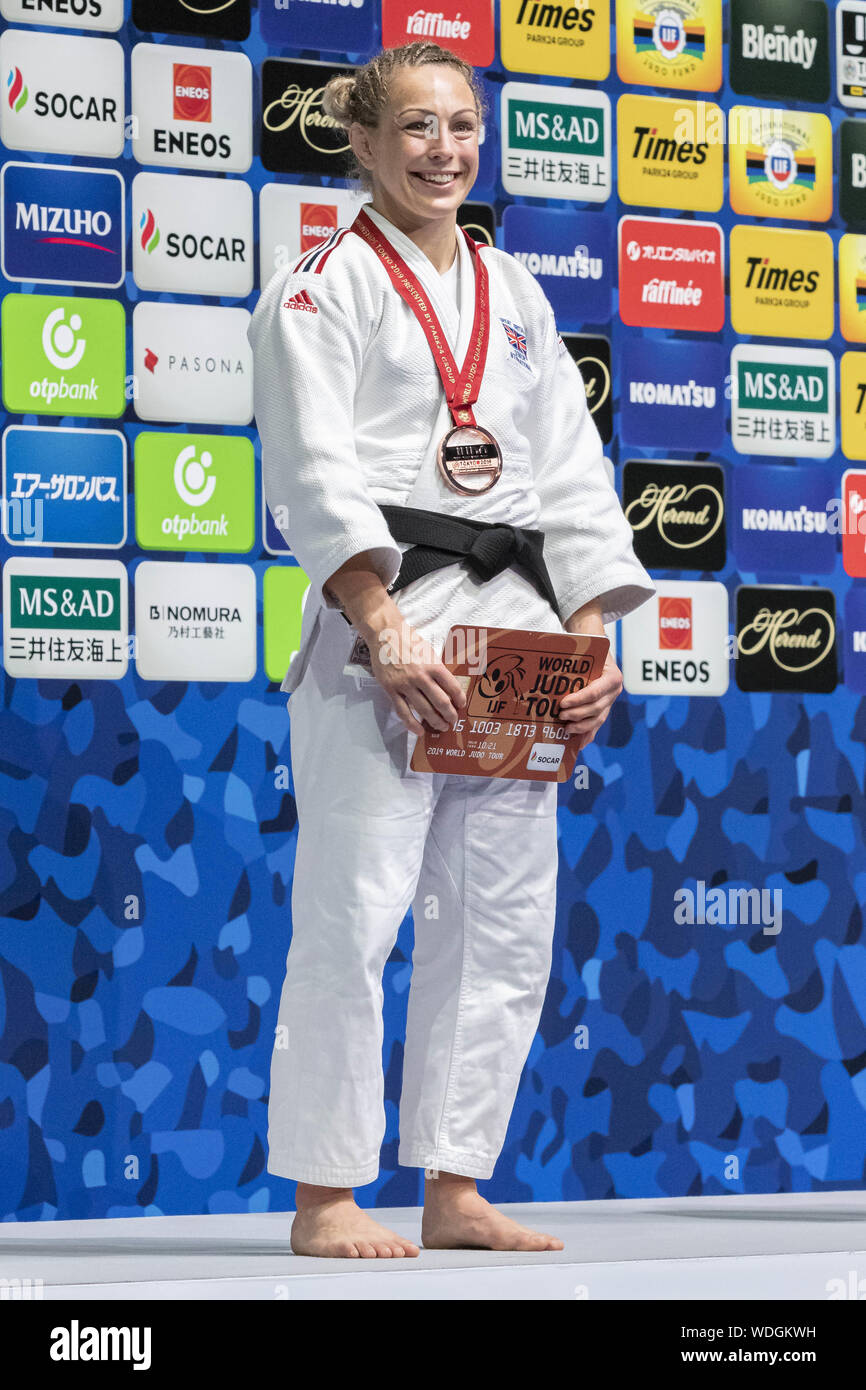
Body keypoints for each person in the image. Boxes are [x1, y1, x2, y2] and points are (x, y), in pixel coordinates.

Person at [248, 40, 655, 1260]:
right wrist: (376, 625)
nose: (442, 150)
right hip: (390, 626)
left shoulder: (516, 291)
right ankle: (326, 1196)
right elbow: (311, 473)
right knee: (355, 913)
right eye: (415, 128)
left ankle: (455, 1179)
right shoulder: (317, 289)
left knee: (501, 919)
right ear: (362, 144)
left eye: (461, 126)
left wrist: (589, 634)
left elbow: (570, 475)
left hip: (513, 635)